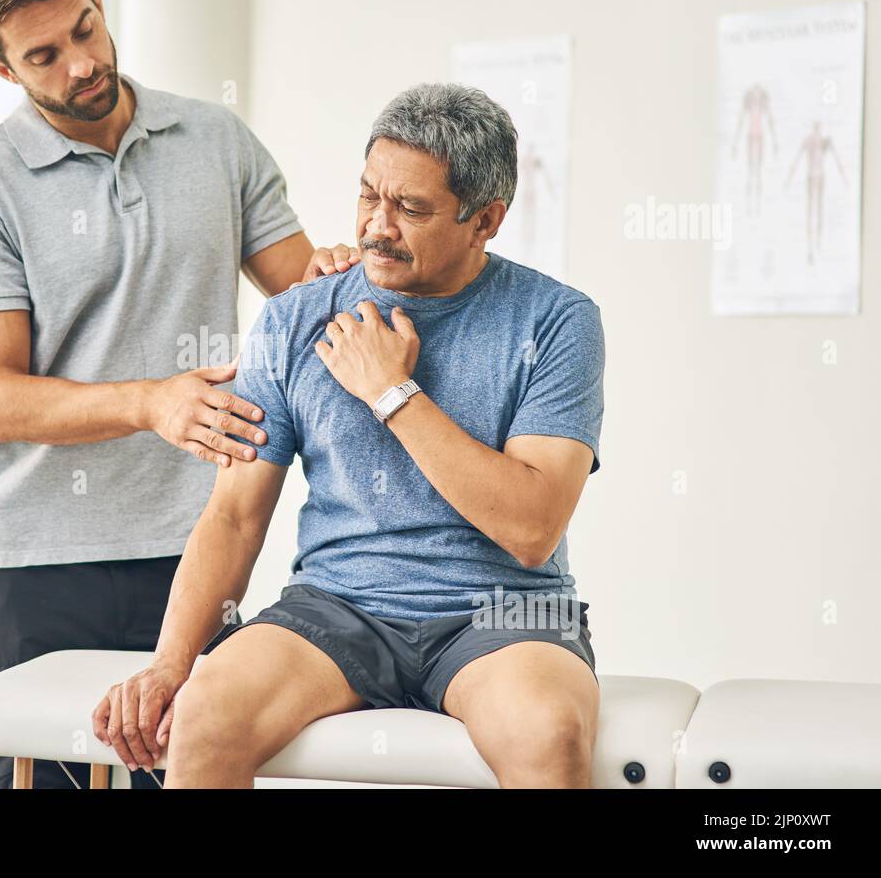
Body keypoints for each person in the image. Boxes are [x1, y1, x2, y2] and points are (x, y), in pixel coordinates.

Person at [0, 0, 357, 789]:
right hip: (40, 566)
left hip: (194, 557)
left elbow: (301, 299)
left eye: (85, 30)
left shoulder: (216, 141)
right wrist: (150, 403)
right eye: (44, 56)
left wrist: (346, 275)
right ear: (2, 70)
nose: (80, 65)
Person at [94, 82, 607, 788]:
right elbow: (236, 517)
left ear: (485, 219)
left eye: (412, 208)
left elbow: (531, 527)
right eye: (370, 195)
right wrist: (168, 665)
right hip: (336, 609)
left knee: (548, 734)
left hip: (503, 612)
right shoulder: (292, 320)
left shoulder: (557, 322)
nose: (378, 226)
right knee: (204, 714)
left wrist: (394, 394)